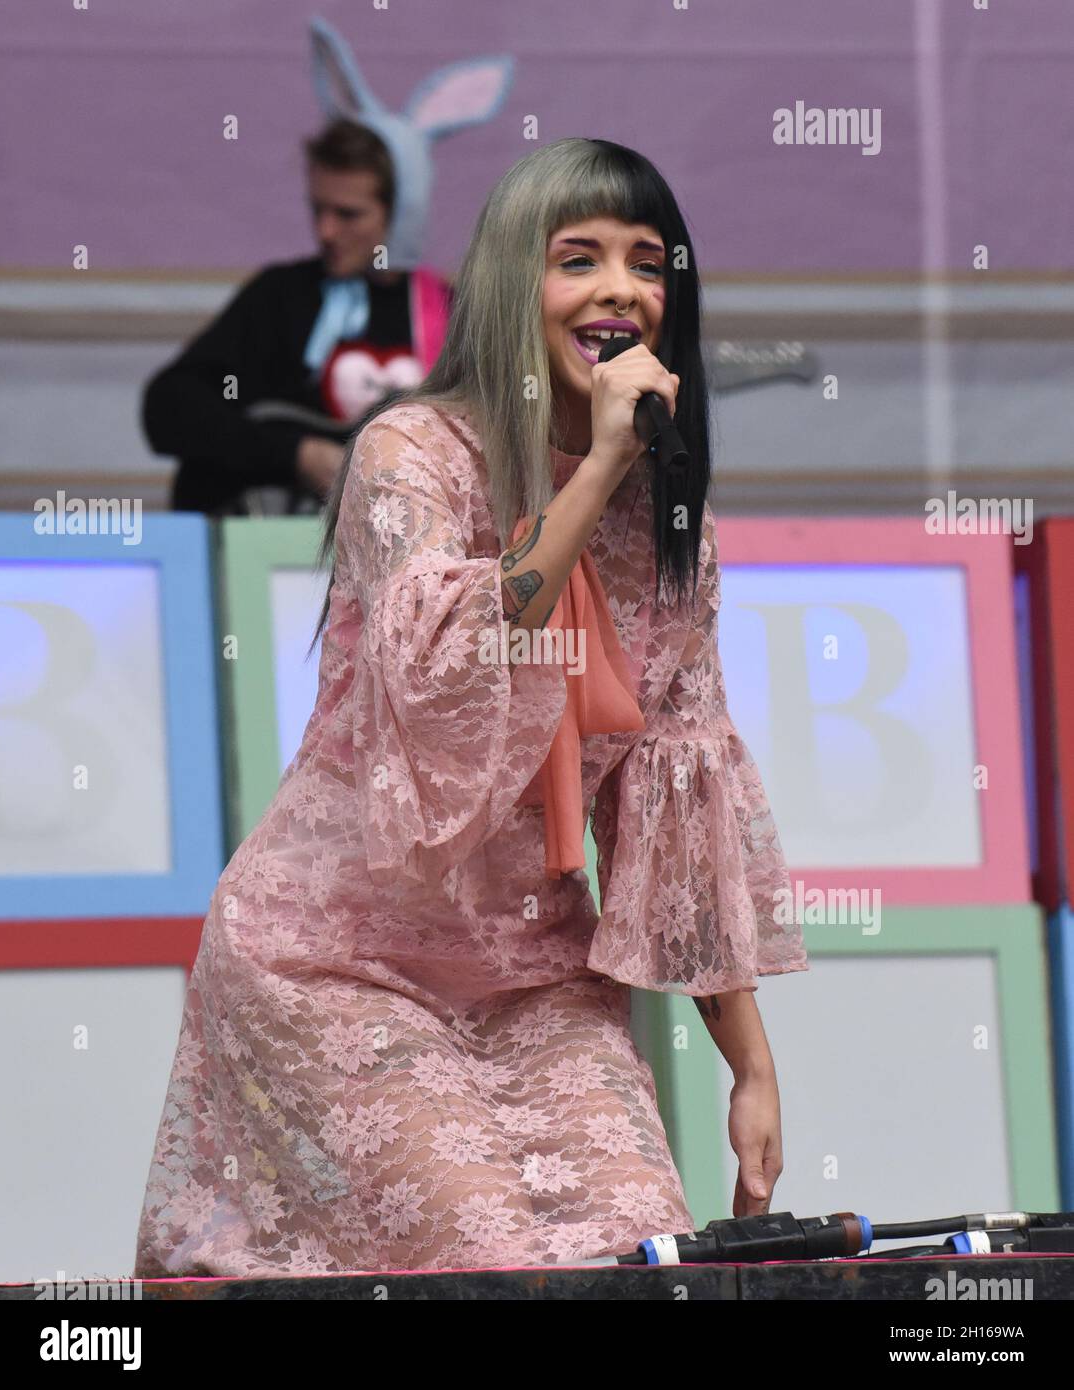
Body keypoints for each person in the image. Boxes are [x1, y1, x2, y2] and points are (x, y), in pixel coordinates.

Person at [133, 137, 808, 1278]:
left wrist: (751, 1065)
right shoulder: (412, 453)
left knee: (633, 1254)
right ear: (509, 284)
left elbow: (673, 818)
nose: (620, 290)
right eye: (578, 259)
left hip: (537, 975)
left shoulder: (671, 534)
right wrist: (596, 470)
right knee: (490, 1255)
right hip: (337, 965)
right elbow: (450, 666)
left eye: (647, 264)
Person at [141, 120, 452, 516]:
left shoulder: (448, 311)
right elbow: (168, 406)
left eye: (348, 214)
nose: (326, 231)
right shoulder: (281, 297)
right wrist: (296, 455)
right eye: (318, 209)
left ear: (403, 214)